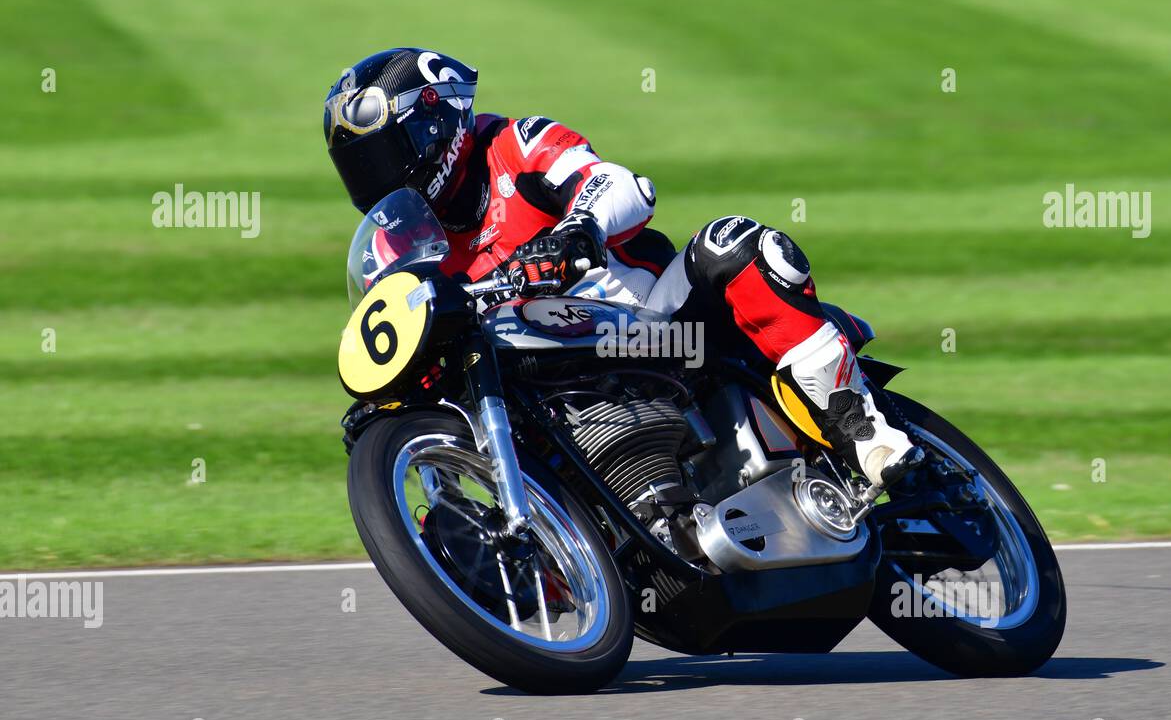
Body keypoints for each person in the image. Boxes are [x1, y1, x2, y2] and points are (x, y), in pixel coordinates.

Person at [324, 48, 920, 486]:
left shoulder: (515, 143)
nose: (377, 180)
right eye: (360, 168)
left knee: (736, 244)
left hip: (656, 323)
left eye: (385, 156)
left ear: (436, 122)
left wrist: (577, 227)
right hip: (542, 382)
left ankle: (862, 431)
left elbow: (621, 185)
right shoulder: (392, 244)